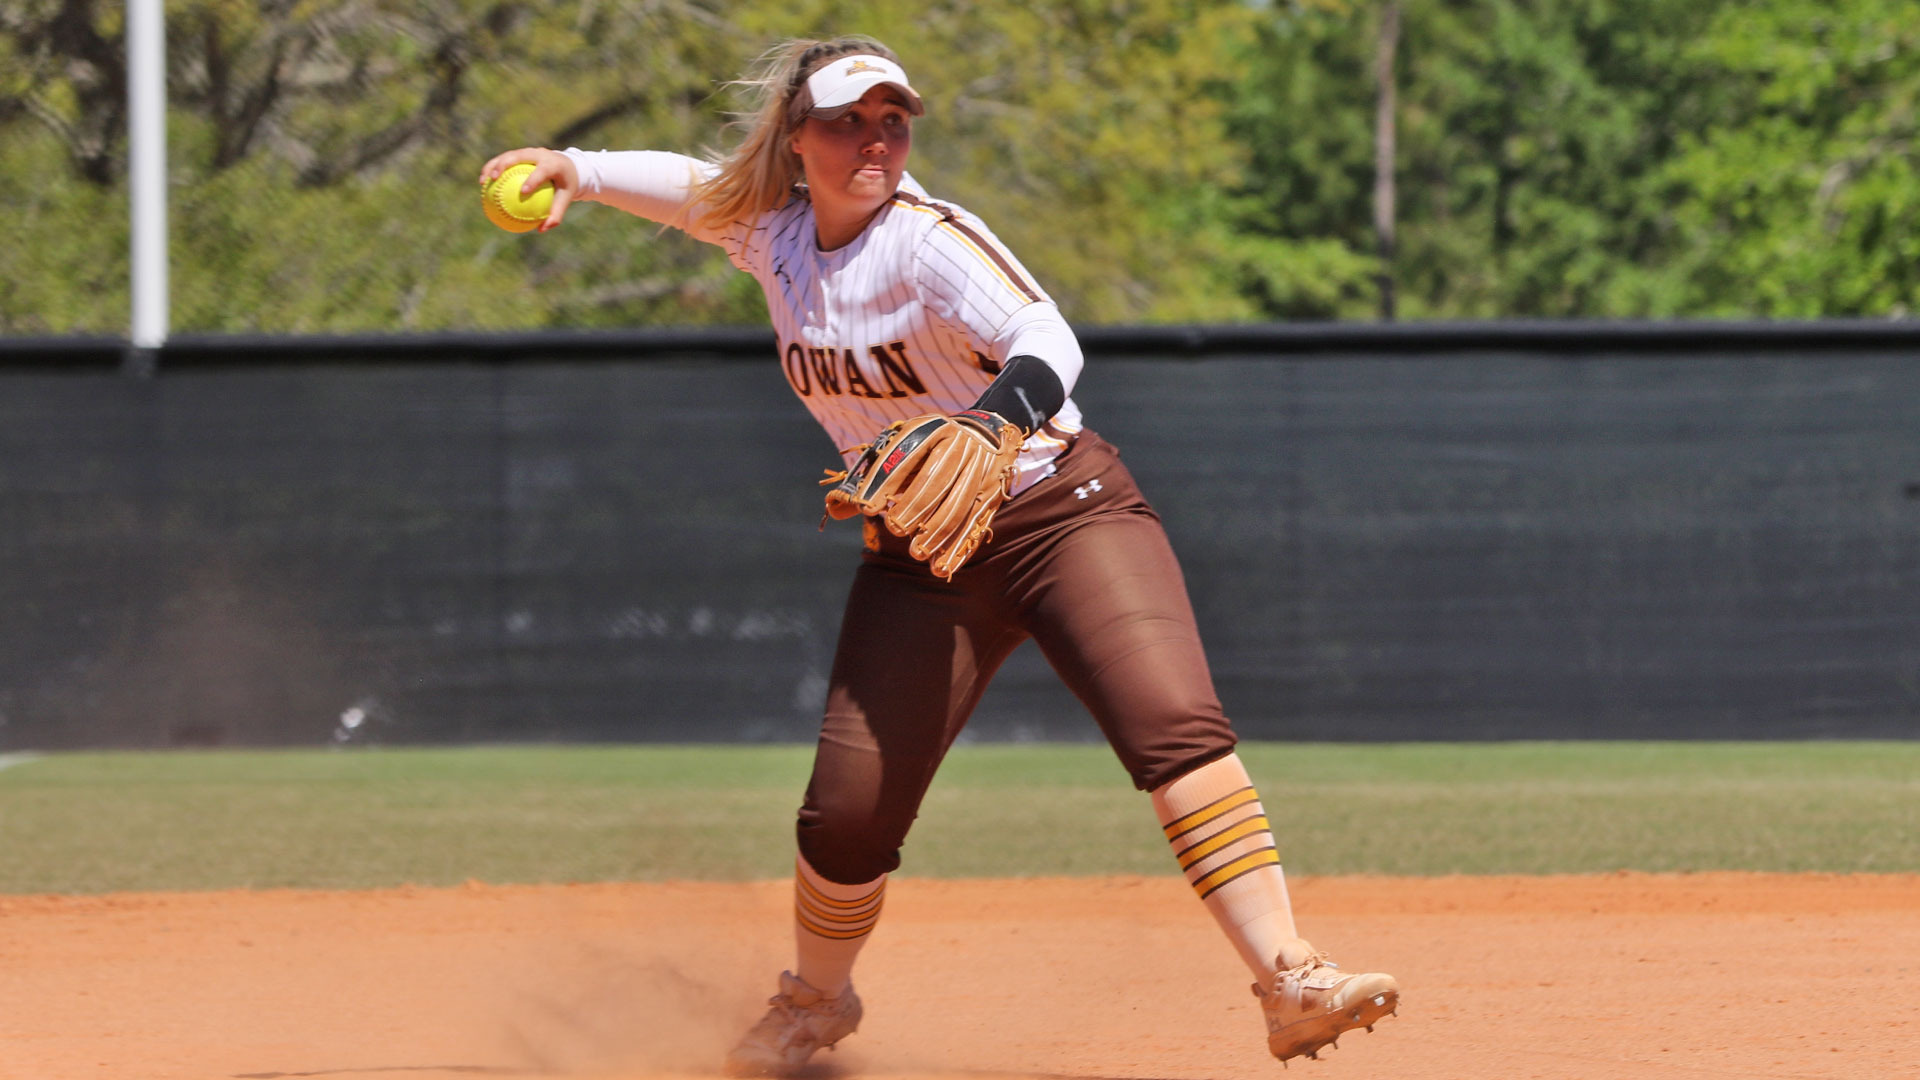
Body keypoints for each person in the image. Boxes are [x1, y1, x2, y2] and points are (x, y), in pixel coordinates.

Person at [479, 35, 1399, 1076]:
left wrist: (995, 420)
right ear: (796, 139)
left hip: (1062, 513)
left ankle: (1291, 978)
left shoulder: (928, 240)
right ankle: (815, 1005)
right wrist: (575, 169)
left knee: (1173, 729)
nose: (875, 139)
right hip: (922, 552)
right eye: (846, 120)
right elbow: (697, 192)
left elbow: (1048, 336)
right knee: (848, 814)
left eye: (893, 119)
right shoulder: (774, 235)